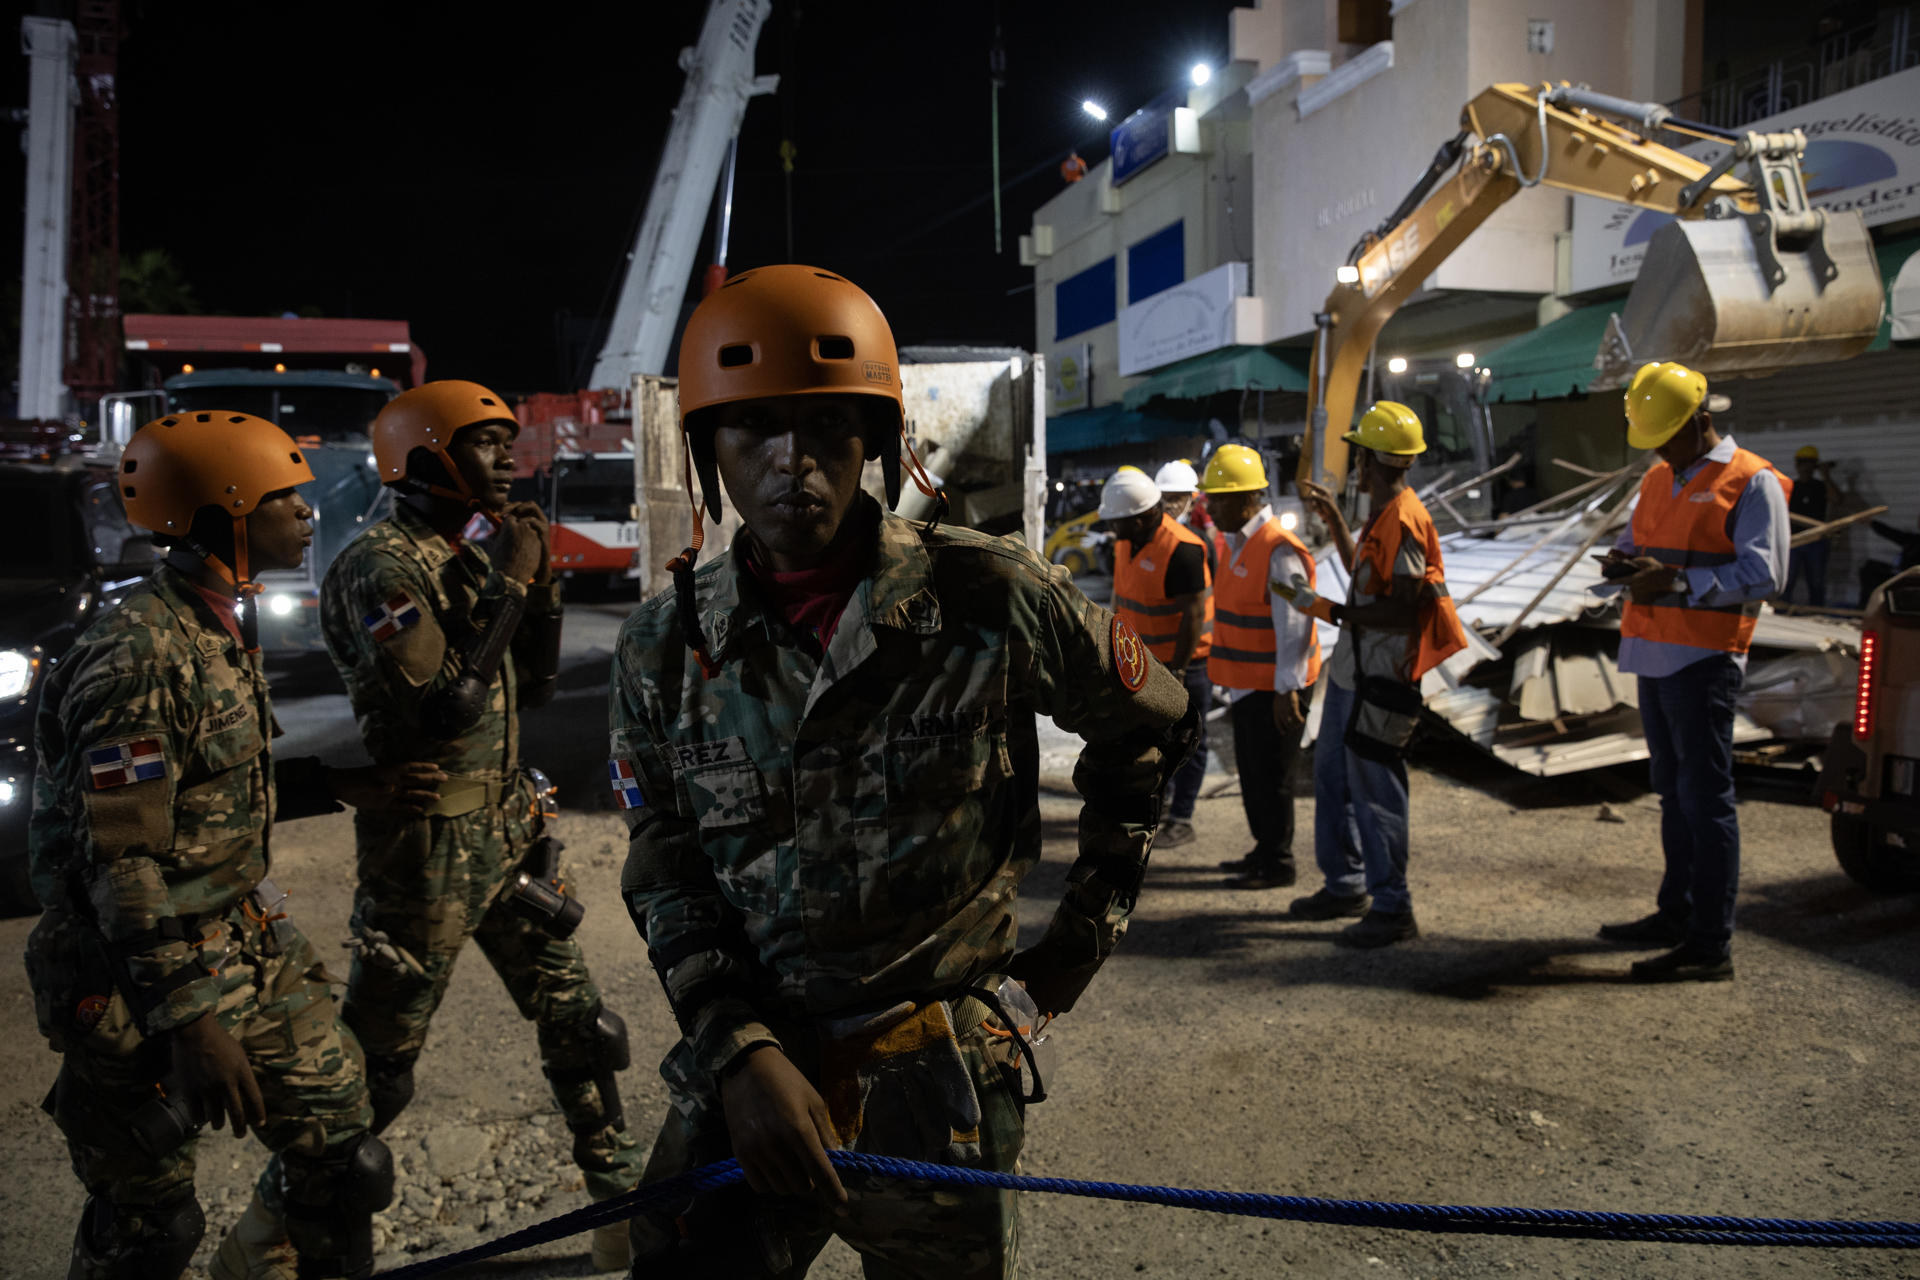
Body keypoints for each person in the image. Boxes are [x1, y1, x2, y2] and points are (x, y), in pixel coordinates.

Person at [609, 263, 1192, 1278]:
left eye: (830, 429)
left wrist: (1073, 951)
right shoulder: (666, 646)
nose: (795, 464)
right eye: (756, 432)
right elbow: (665, 865)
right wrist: (738, 1052)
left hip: (941, 1086)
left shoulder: (990, 593)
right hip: (751, 1082)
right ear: (708, 452)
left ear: (875, 442)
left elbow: (1149, 726)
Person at [24, 411, 432, 1280]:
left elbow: (206, 794)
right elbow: (122, 861)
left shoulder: (216, 621)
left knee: (345, 1161)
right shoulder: (135, 653)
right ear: (227, 512)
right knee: (151, 1227)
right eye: (288, 500)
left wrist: (334, 787)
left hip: (244, 936)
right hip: (135, 971)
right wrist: (193, 1022)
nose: (309, 516)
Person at [318, 381, 646, 1269]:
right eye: (485, 443)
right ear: (426, 458)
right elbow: (448, 711)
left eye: (509, 442)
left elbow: (531, 684)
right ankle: (298, 1241)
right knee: (373, 1077)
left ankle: (624, 1220)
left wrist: (534, 591)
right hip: (422, 859)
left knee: (584, 1028)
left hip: (506, 836)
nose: (509, 458)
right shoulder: (378, 567)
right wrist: (507, 580)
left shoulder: (467, 551)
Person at [1593, 362, 1789, 982]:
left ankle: (1710, 944)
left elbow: (1765, 577)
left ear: (1702, 422)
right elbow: (1639, 543)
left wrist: (1678, 581)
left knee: (1706, 803)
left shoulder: (1751, 482)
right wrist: (1625, 565)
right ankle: (1675, 913)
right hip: (1654, 656)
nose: (1661, 450)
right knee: (1675, 798)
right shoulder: (1658, 478)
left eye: (1670, 437)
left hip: (1704, 662)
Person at [1288, 402, 1466, 948]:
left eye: (1358, 454)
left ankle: (1393, 906)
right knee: (1335, 780)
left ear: (1369, 460)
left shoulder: (1407, 519)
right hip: (1355, 672)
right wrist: (1338, 525)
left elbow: (1403, 608)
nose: (1355, 464)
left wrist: (1336, 613)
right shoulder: (1385, 516)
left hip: (1381, 678)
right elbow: (1367, 578)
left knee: (1376, 791)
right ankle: (1346, 884)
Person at [1198, 445, 1322, 889]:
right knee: (1253, 774)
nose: (1209, 508)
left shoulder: (1279, 550)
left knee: (1274, 778)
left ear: (1246, 499)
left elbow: (1298, 621)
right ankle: (1263, 849)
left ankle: (1279, 862)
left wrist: (1287, 688)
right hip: (1246, 684)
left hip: (1276, 688)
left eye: (1217, 499)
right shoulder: (1232, 543)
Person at [1105, 466, 1214, 848]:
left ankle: (1181, 818)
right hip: (1140, 663)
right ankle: (1157, 809)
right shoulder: (1124, 541)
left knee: (1187, 742)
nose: (1113, 529)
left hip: (1183, 664)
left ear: (1143, 516)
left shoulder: (1183, 548)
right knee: (1151, 742)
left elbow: (1193, 617)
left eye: (1120, 522)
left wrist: (1180, 670)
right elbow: (1121, 599)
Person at [1782, 445, 1851, 607]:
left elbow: (1837, 499)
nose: (1804, 467)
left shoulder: (1821, 486)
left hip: (1816, 541)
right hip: (1794, 540)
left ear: (1814, 466)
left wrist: (1826, 476)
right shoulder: (1791, 487)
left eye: (1809, 463)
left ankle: (1816, 611)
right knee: (1787, 579)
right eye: (1802, 463)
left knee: (1816, 580)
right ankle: (1782, 610)